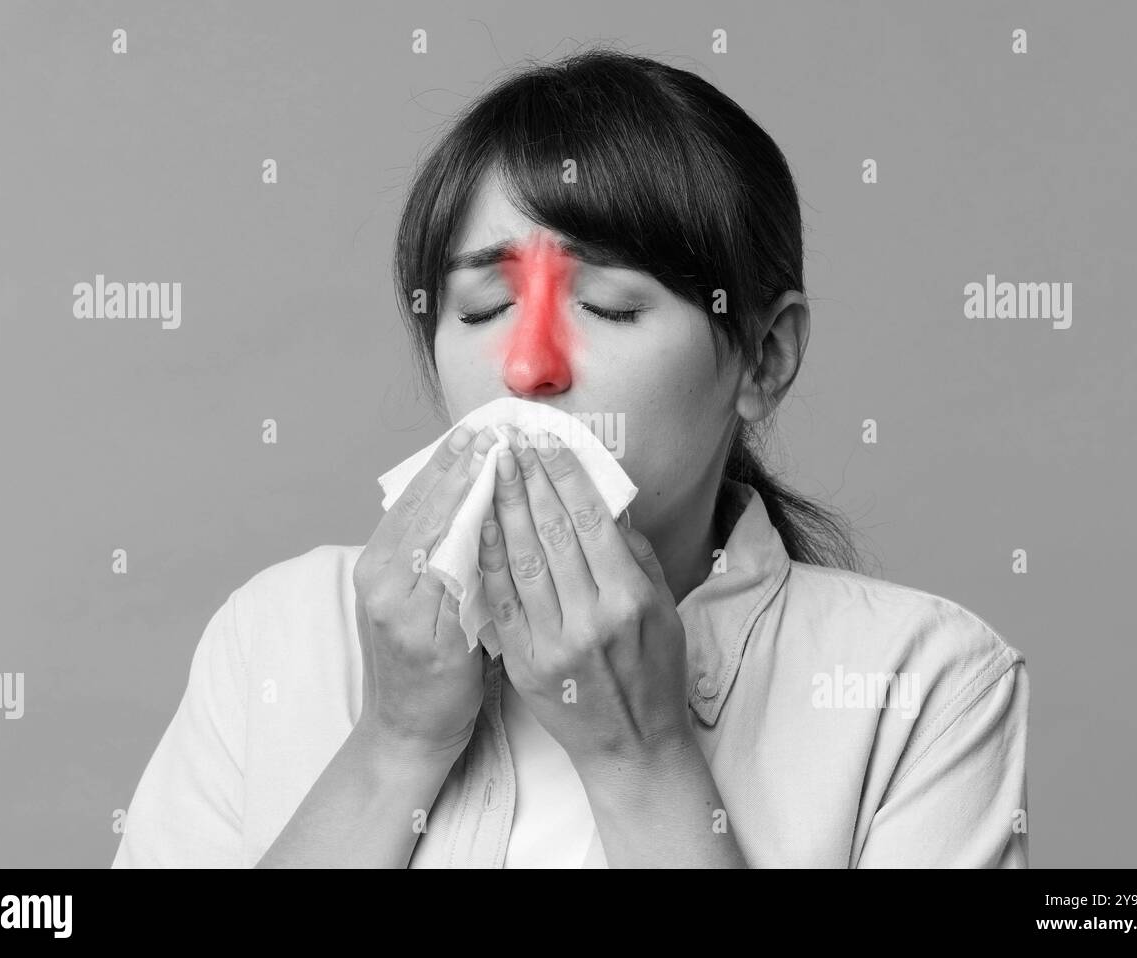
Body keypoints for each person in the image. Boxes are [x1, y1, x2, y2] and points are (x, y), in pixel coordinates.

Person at [112, 48, 1028, 868]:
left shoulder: (920, 684)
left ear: (764, 358)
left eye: (610, 307)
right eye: (480, 310)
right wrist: (392, 745)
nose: (526, 365)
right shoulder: (280, 635)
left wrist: (642, 760)